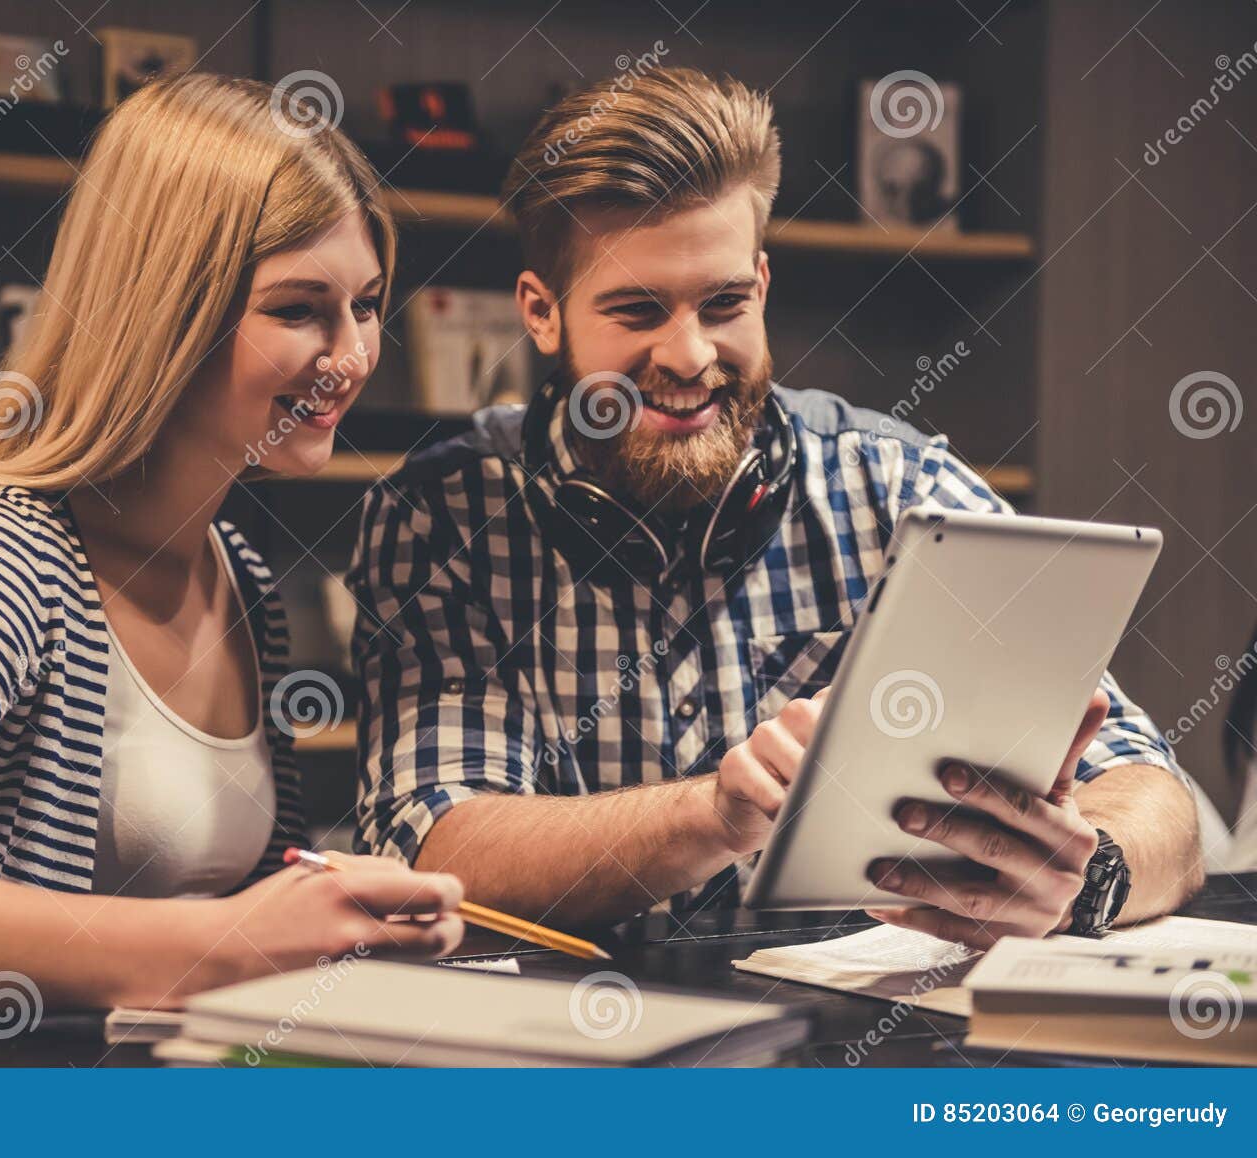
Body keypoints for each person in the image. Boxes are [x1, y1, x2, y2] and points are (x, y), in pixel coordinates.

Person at [349, 67, 1203, 950]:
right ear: (541, 312)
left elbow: (1157, 796)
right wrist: (714, 815)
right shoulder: (441, 518)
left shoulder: (899, 487)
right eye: (636, 310)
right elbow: (433, 851)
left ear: (761, 283)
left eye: (724, 304)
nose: (687, 356)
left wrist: (1085, 872)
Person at [0, 72, 463, 1014]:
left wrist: (333, 926)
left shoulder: (239, 573)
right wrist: (222, 943)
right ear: (167, 312)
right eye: (298, 310)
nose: (351, 356)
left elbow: (236, 928)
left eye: (367, 306)